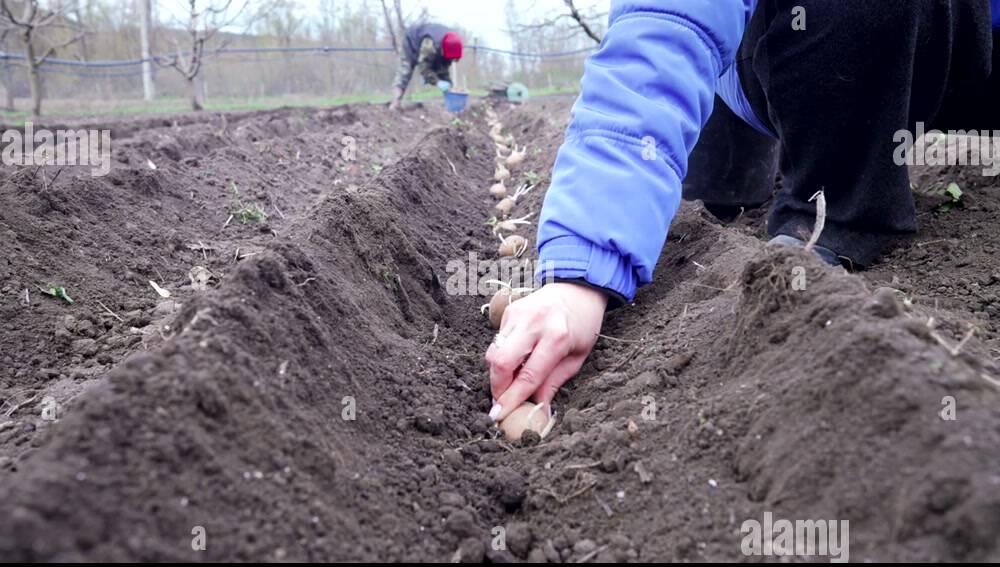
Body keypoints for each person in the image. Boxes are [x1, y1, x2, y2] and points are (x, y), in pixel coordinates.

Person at [485, 0, 1000, 423]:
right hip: (788, 42)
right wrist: (581, 271)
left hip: (963, 48)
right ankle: (814, 198)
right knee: (716, 187)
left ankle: (813, 177)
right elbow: (666, 32)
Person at [389, 23, 464, 110]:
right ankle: (395, 103)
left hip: (437, 49)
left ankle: (451, 104)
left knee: (444, 75)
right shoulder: (429, 46)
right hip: (412, 41)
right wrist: (437, 81)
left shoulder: (453, 43)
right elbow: (423, 67)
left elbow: (444, 69)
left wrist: (450, 88)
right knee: (405, 71)